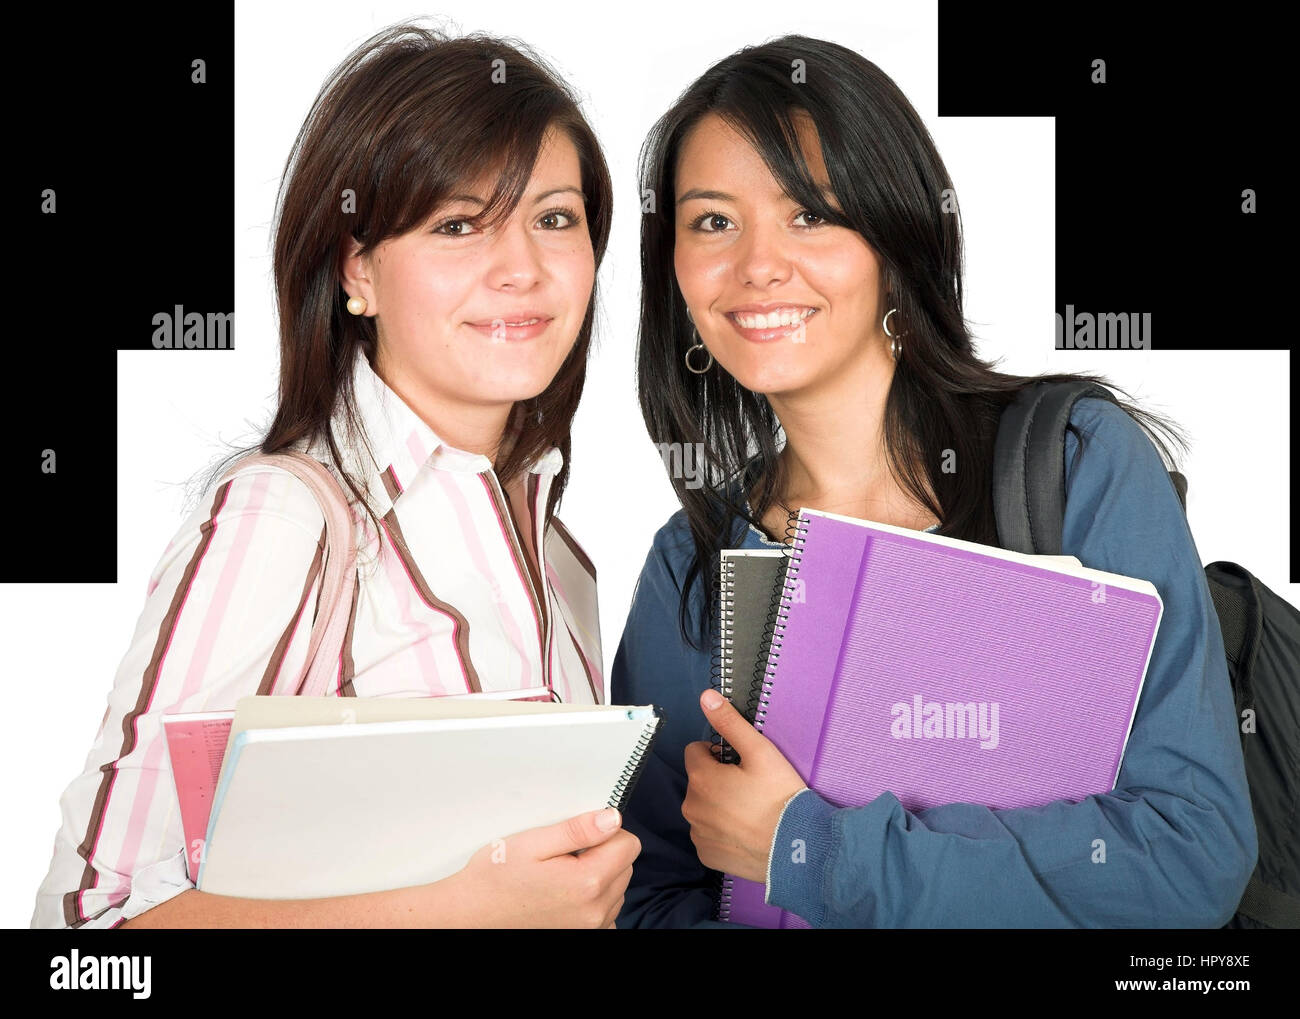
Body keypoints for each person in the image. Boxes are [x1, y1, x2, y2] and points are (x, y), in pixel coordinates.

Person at [612, 34, 1257, 928]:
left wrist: (812, 847)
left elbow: (1190, 857)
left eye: (810, 213)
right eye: (713, 221)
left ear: (897, 235)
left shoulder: (1073, 466)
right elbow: (646, 895)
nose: (757, 264)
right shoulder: (691, 562)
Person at [32, 22, 636, 929]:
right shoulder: (286, 520)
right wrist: (452, 907)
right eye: (459, 224)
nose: (523, 269)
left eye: (555, 218)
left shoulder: (560, 556)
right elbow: (89, 944)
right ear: (358, 268)